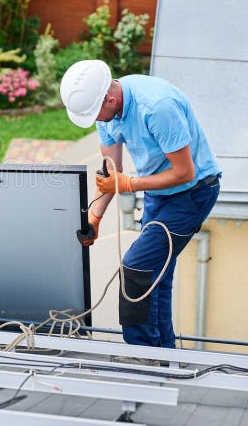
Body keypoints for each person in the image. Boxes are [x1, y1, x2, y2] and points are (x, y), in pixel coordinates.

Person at [59, 60, 220, 349]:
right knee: (156, 279)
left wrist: (128, 184)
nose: (97, 120)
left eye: (96, 113)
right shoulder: (105, 111)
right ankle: (163, 358)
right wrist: (94, 218)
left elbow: (185, 172)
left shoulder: (157, 107)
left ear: (111, 98)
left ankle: (142, 356)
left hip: (193, 193)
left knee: (136, 270)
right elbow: (112, 171)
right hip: (161, 194)